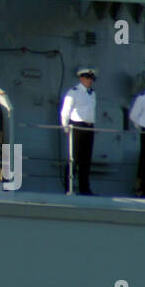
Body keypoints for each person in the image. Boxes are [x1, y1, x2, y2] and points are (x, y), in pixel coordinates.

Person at [59, 67, 97, 195]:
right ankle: (68, 187)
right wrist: (65, 126)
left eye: (91, 79)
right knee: (73, 158)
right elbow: (66, 110)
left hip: (89, 127)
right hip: (77, 126)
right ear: (81, 78)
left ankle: (84, 187)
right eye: (87, 78)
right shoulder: (73, 92)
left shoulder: (92, 93)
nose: (89, 81)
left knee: (86, 159)